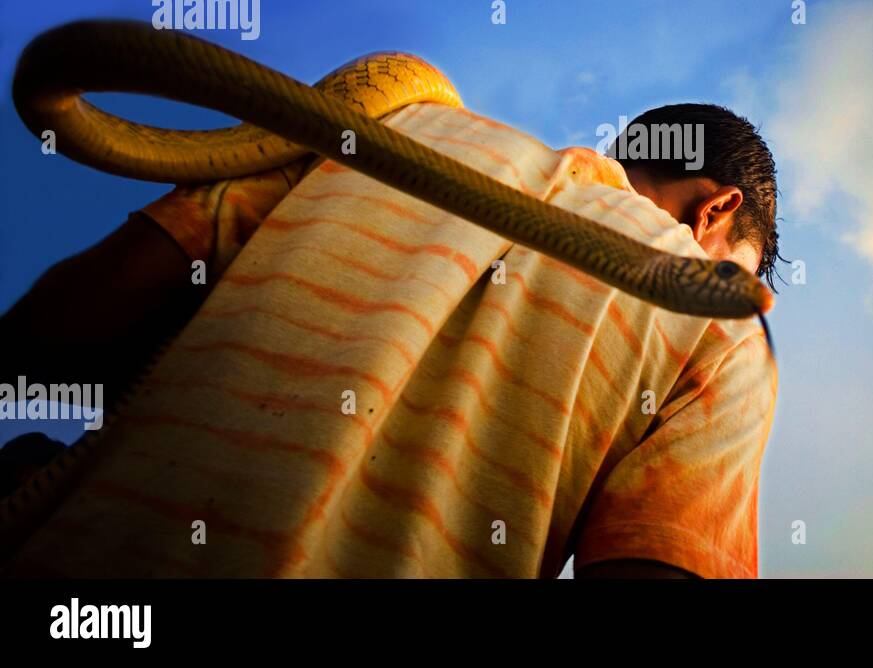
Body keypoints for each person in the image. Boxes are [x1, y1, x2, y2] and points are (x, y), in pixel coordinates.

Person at [0, 95, 782, 578]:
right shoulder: (721, 318)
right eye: (743, 269)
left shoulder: (377, 130)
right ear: (715, 213)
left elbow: (56, 333)